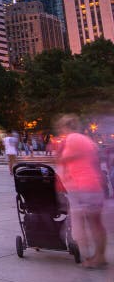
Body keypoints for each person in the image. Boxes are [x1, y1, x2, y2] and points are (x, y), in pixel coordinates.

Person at [55, 115, 107, 268]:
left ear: (65, 127)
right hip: (94, 185)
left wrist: (60, 156)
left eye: (61, 127)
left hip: (82, 187)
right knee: (96, 224)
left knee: (83, 224)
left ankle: (91, 256)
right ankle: (100, 257)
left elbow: (64, 159)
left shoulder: (71, 139)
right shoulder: (87, 140)